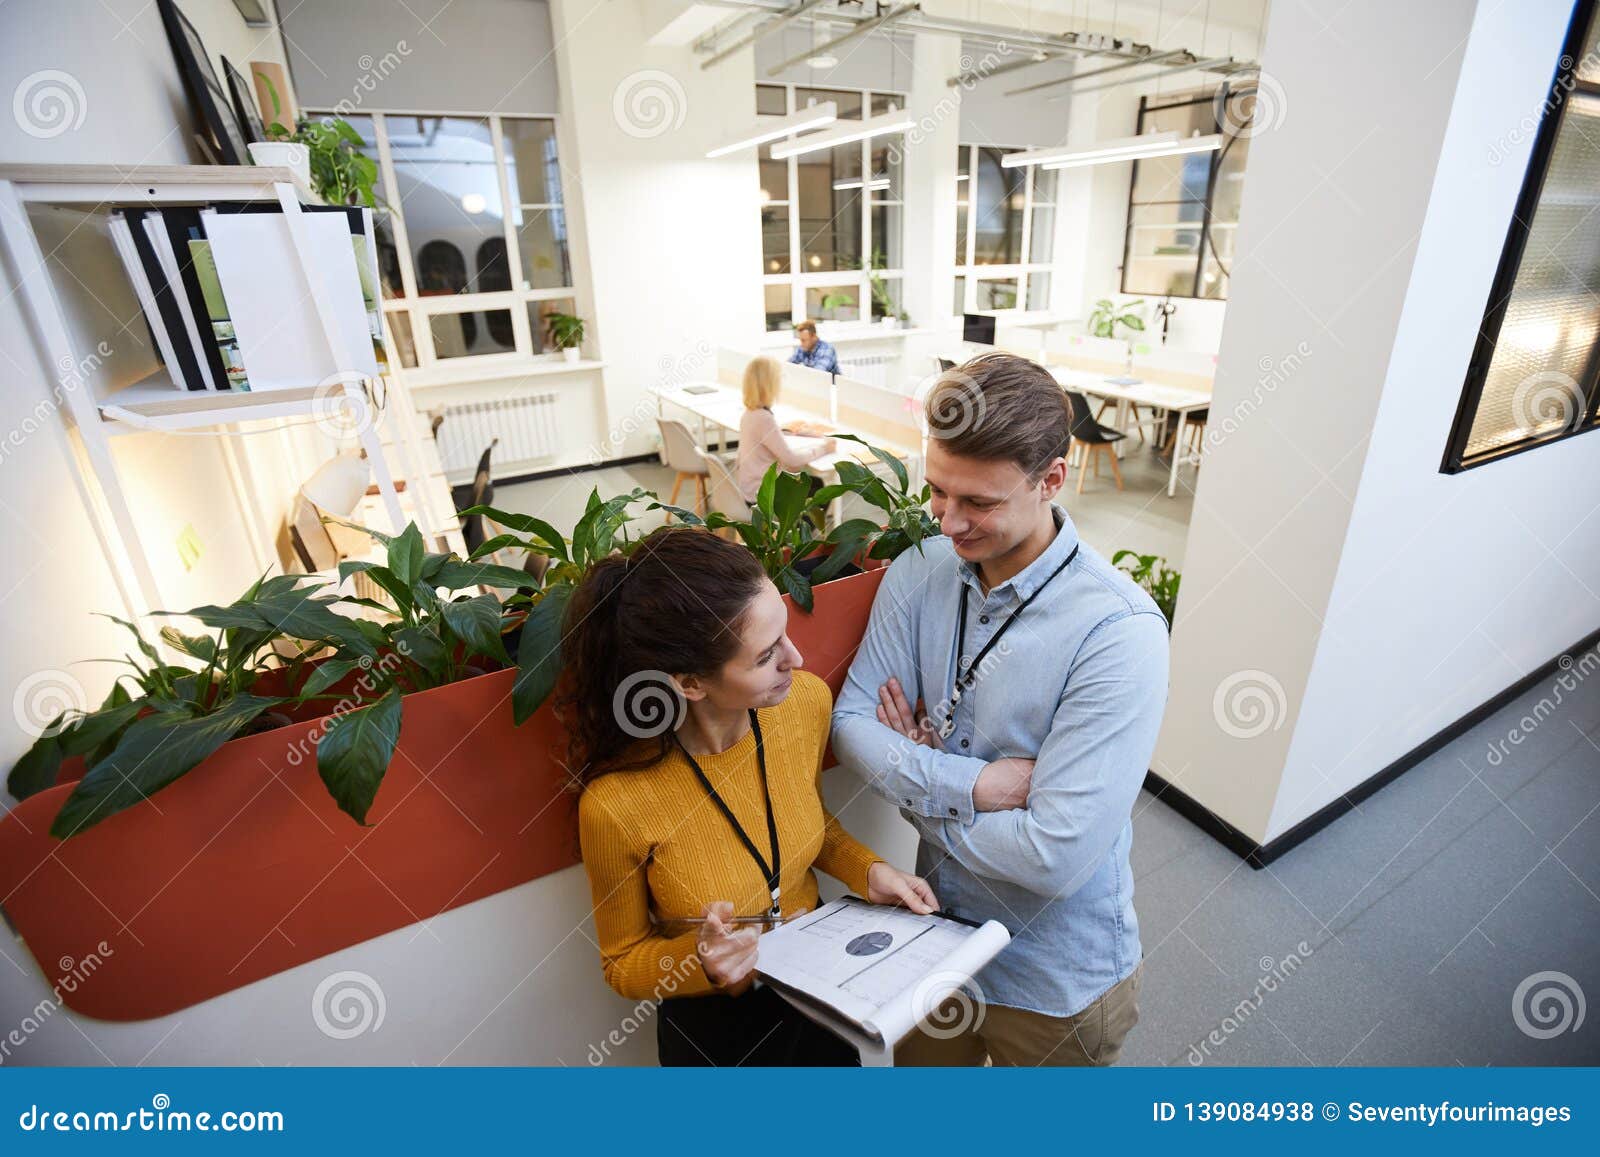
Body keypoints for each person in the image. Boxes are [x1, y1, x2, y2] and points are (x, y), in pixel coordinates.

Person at [831, 352, 1170, 1067]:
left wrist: (919, 792)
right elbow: (852, 721)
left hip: (1051, 978)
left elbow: (1052, 857)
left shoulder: (1118, 632)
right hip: (933, 942)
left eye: (978, 503)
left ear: (1053, 478)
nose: (948, 522)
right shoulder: (920, 569)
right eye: (936, 492)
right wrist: (978, 788)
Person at [566, 526, 938, 1066]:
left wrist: (868, 870)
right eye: (767, 656)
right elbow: (622, 962)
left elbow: (810, 823)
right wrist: (703, 963)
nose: (799, 659)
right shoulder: (615, 805)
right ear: (691, 683)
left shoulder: (802, 705)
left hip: (822, 998)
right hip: (715, 1038)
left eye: (785, 632)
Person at [737, 355, 836, 503]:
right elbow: (792, 460)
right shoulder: (764, 418)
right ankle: (792, 526)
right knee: (819, 488)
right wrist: (824, 449)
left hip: (748, 489)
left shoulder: (750, 413)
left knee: (806, 480)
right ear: (769, 384)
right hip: (761, 496)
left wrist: (782, 431)